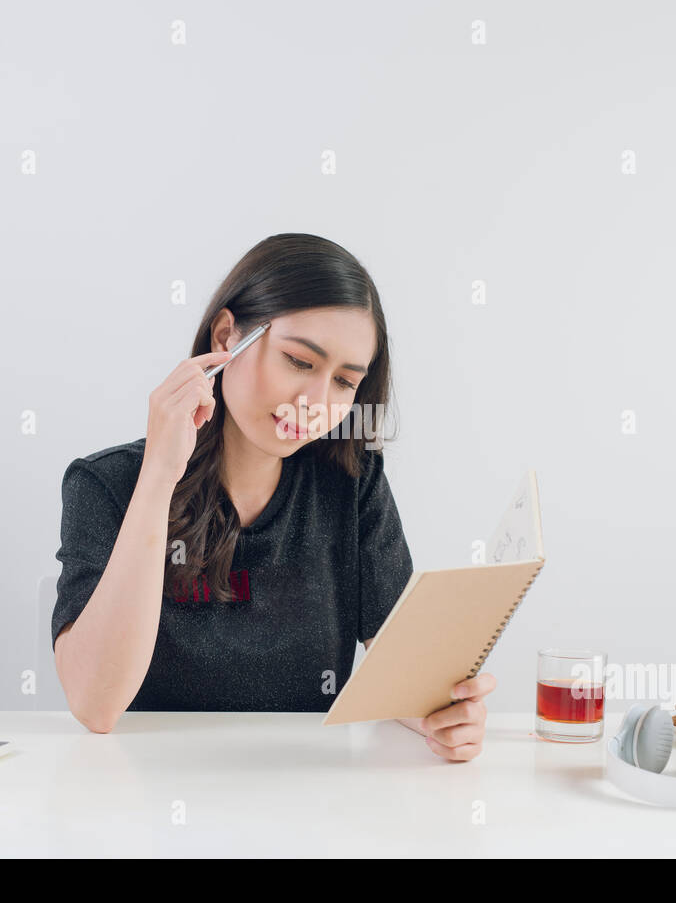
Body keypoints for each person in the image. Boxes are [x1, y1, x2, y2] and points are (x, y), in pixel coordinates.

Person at [51, 233, 496, 761]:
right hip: (150, 791)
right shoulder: (108, 483)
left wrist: (441, 715)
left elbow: (396, 673)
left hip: (303, 795)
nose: (315, 403)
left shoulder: (352, 481)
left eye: (344, 382)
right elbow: (95, 706)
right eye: (300, 363)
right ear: (225, 338)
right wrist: (159, 476)